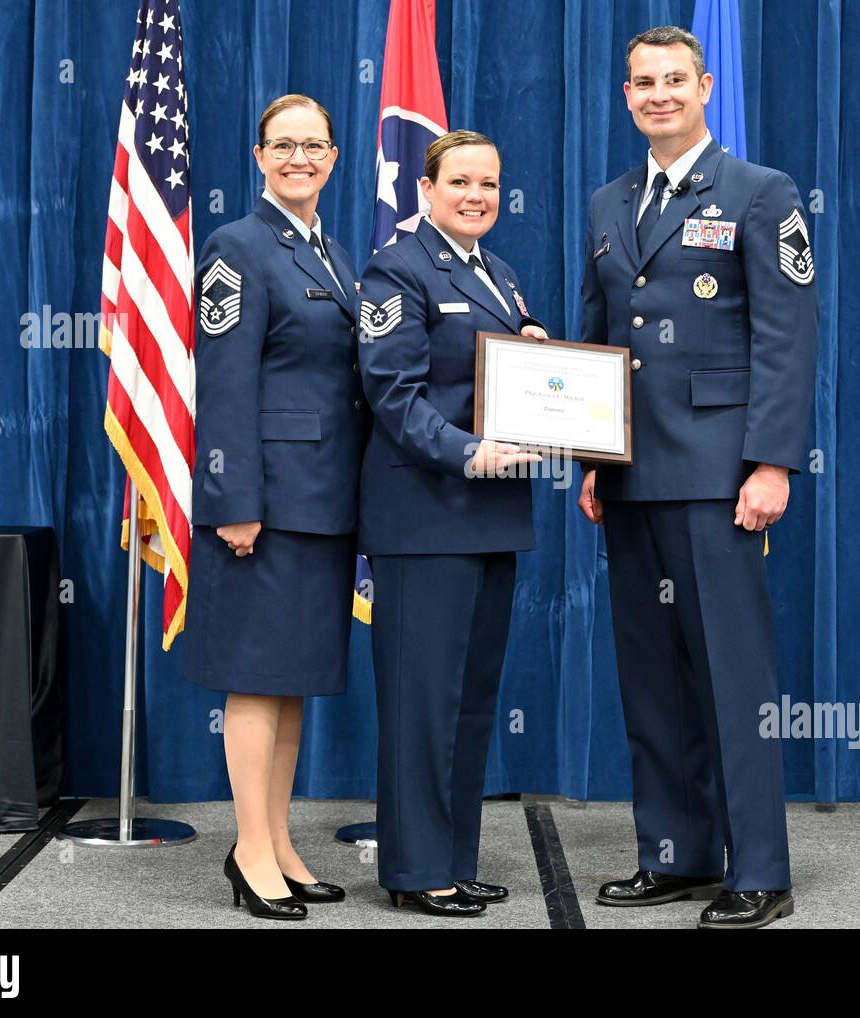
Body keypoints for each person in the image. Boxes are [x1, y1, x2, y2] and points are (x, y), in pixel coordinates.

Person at [579, 26, 818, 929]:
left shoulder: (762, 194)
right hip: (633, 474)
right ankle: (675, 854)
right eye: (643, 82)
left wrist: (770, 462)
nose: (659, 95)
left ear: (705, 86)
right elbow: (599, 337)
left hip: (723, 476)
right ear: (627, 95)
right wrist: (596, 458)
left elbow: (789, 341)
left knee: (733, 676)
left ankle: (759, 867)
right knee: (652, 675)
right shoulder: (608, 203)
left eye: (674, 79)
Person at [182, 94, 367, 920]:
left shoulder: (331, 252)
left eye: (314, 145)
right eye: (283, 145)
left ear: (334, 158)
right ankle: (249, 851)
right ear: (259, 157)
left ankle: (279, 839)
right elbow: (224, 387)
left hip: (323, 500)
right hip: (263, 505)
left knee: (290, 682)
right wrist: (232, 498)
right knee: (256, 681)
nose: (299, 158)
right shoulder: (238, 246)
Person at [357, 130, 546, 918]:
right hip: (425, 515)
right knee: (421, 702)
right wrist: (469, 451)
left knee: (469, 702)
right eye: (461, 181)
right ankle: (414, 871)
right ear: (426, 191)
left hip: (491, 518)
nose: (476, 196)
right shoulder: (395, 270)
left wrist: (537, 355)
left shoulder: (499, 275)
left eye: (490, 184)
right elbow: (390, 395)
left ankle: (454, 861)